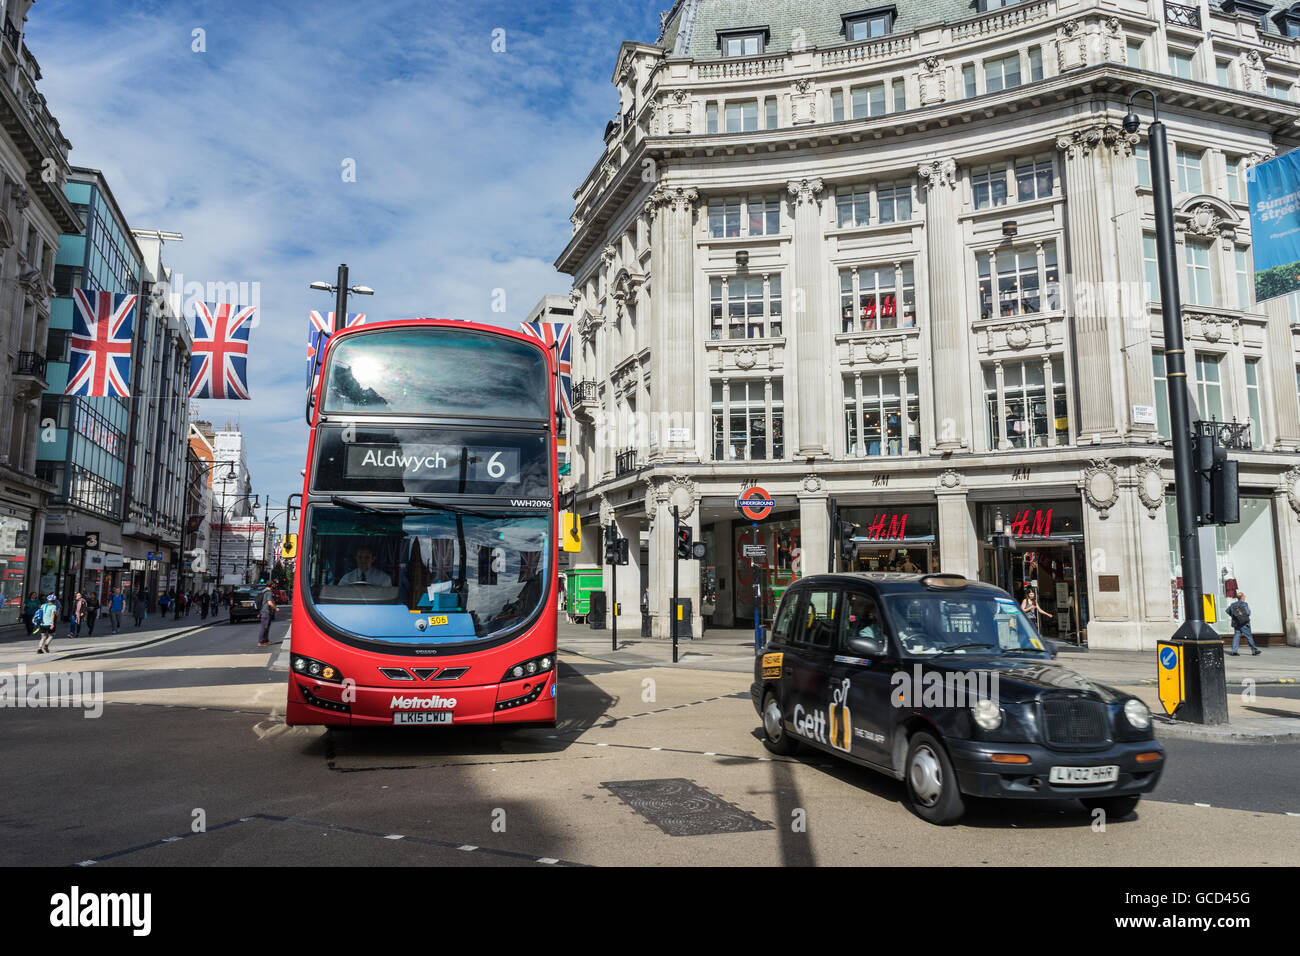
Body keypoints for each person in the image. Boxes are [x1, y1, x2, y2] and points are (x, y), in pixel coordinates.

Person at [1227, 590, 1259, 656]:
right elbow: (1248, 613)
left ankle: (1234, 651)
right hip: (1244, 623)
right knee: (1249, 636)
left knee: (1236, 636)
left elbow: (1228, 611)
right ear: (1242, 597)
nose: (1244, 597)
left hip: (1236, 623)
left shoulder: (1233, 605)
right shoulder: (1244, 604)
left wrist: (1235, 616)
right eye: (1244, 596)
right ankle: (1254, 650)